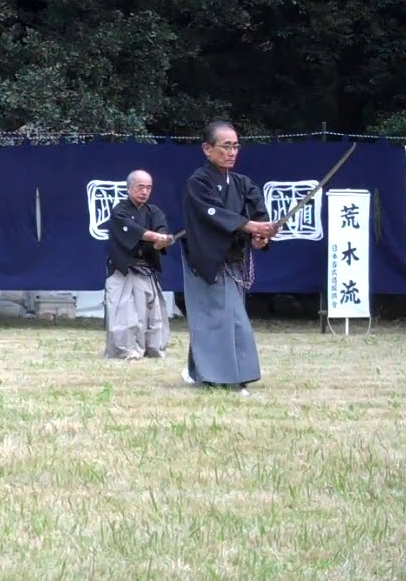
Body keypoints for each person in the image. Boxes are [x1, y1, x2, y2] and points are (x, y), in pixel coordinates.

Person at [179, 120, 278, 394]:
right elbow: (212, 214)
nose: (232, 152)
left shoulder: (242, 183)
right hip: (206, 261)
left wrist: (261, 235)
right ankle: (222, 379)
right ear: (207, 149)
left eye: (235, 146)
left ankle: (197, 370)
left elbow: (258, 212)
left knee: (218, 318)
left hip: (233, 262)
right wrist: (250, 227)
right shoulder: (198, 182)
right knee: (222, 319)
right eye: (226, 146)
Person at [103, 169, 173, 359]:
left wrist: (162, 240)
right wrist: (155, 236)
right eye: (140, 187)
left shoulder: (154, 211)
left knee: (152, 316)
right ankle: (125, 351)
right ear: (128, 188)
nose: (145, 191)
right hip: (124, 271)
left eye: (148, 187)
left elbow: (161, 230)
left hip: (146, 270)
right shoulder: (120, 210)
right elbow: (134, 230)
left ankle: (152, 349)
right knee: (126, 315)